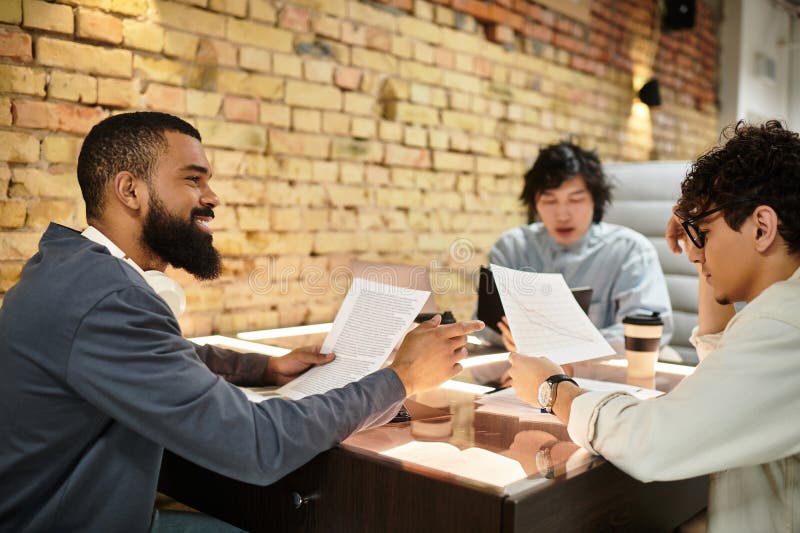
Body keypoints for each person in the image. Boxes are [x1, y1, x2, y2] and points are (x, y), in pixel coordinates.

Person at [0, 112, 484, 532]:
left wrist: (265, 369)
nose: (212, 197)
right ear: (130, 190)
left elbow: (166, 355)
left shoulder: (72, 271)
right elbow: (257, 444)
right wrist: (401, 379)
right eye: (193, 179)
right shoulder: (108, 299)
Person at [508, 120, 800, 532]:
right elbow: (727, 362)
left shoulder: (785, 324)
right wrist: (701, 233)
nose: (695, 254)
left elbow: (651, 442)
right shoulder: (778, 315)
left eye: (705, 233)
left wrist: (552, 388)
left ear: (762, 227)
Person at [476, 141, 673, 354]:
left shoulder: (630, 250)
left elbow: (650, 330)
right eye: (549, 201)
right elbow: (485, 328)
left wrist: (562, 346)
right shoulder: (512, 247)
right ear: (534, 203)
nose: (562, 215)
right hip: (524, 371)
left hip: (605, 374)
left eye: (576, 200)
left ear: (594, 201)